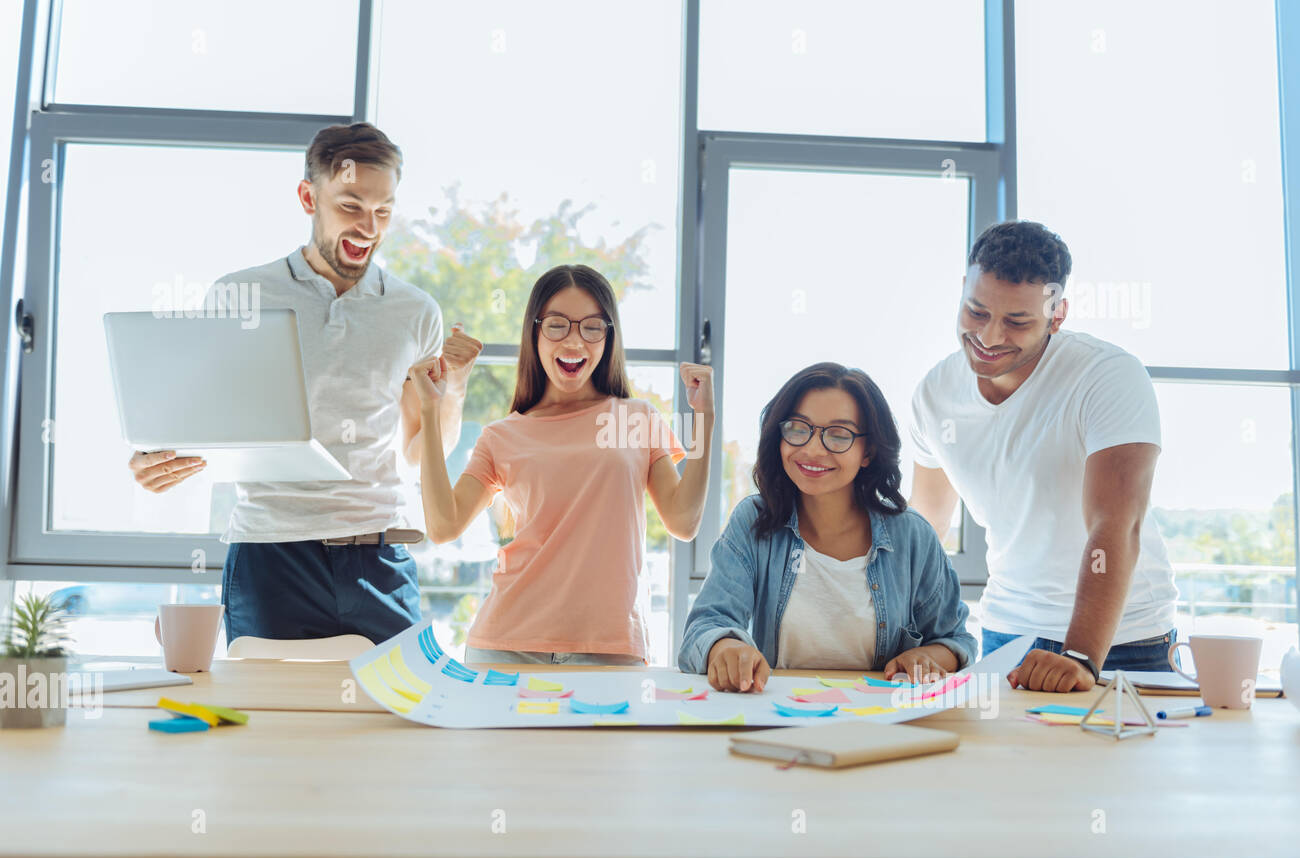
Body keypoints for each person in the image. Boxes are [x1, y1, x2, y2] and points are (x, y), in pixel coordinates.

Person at [128, 122, 483, 645]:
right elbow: (200, 419)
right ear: (308, 196)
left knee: (397, 719)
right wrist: (154, 458)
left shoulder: (415, 312)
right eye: (351, 205)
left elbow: (416, 449)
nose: (368, 226)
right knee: (271, 721)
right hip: (272, 553)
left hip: (380, 555)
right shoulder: (240, 294)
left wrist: (453, 389)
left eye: (383, 211)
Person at [909, 220, 1178, 693]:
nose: (989, 337)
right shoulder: (935, 394)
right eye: (976, 312)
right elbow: (926, 526)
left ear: (1057, 315)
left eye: (1017, 321)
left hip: (1124, 642)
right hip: (1006, 634)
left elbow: (1116, 523)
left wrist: (1079, 655)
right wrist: (909, 634)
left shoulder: (1107, 375)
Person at [409, 263, 713, 665]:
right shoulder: (503, 435)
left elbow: (683, 522)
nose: (574, 341)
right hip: (506, 643)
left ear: (608, 336)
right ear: (534, 331)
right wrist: (431, 410)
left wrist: (704, 418)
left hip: (611, 647)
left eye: (591, 327)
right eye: (556, 325)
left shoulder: (634, 418)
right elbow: (444, 525)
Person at [678, 362, 975, 692]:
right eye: (798, 428)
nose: (813, 449)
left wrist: (927, 657)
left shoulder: (912, 536)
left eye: (838, 435)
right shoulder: (754, 521)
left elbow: (955, 640)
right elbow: (706, 625)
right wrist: (725, 647)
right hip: (777, 720)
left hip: (878, 724)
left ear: (869, 451)